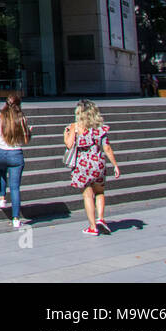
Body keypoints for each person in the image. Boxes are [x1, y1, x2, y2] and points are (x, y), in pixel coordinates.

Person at [65, 99, 122, 236]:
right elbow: (107, 147)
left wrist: (68, 132)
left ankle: (92, 227)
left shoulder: (75, 126)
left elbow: (69, 144)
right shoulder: (100, 128)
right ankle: (101, 218)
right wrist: (115, 165)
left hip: (82, 165)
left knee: (87, 195)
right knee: (100, 192)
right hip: (98, 163)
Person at [0, 93, 32, 228]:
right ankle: (16, 218)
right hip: (16, 154)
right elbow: (26, 140)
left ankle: (1, 196)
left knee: (1, 170)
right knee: (15, 187)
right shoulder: (22, 118)